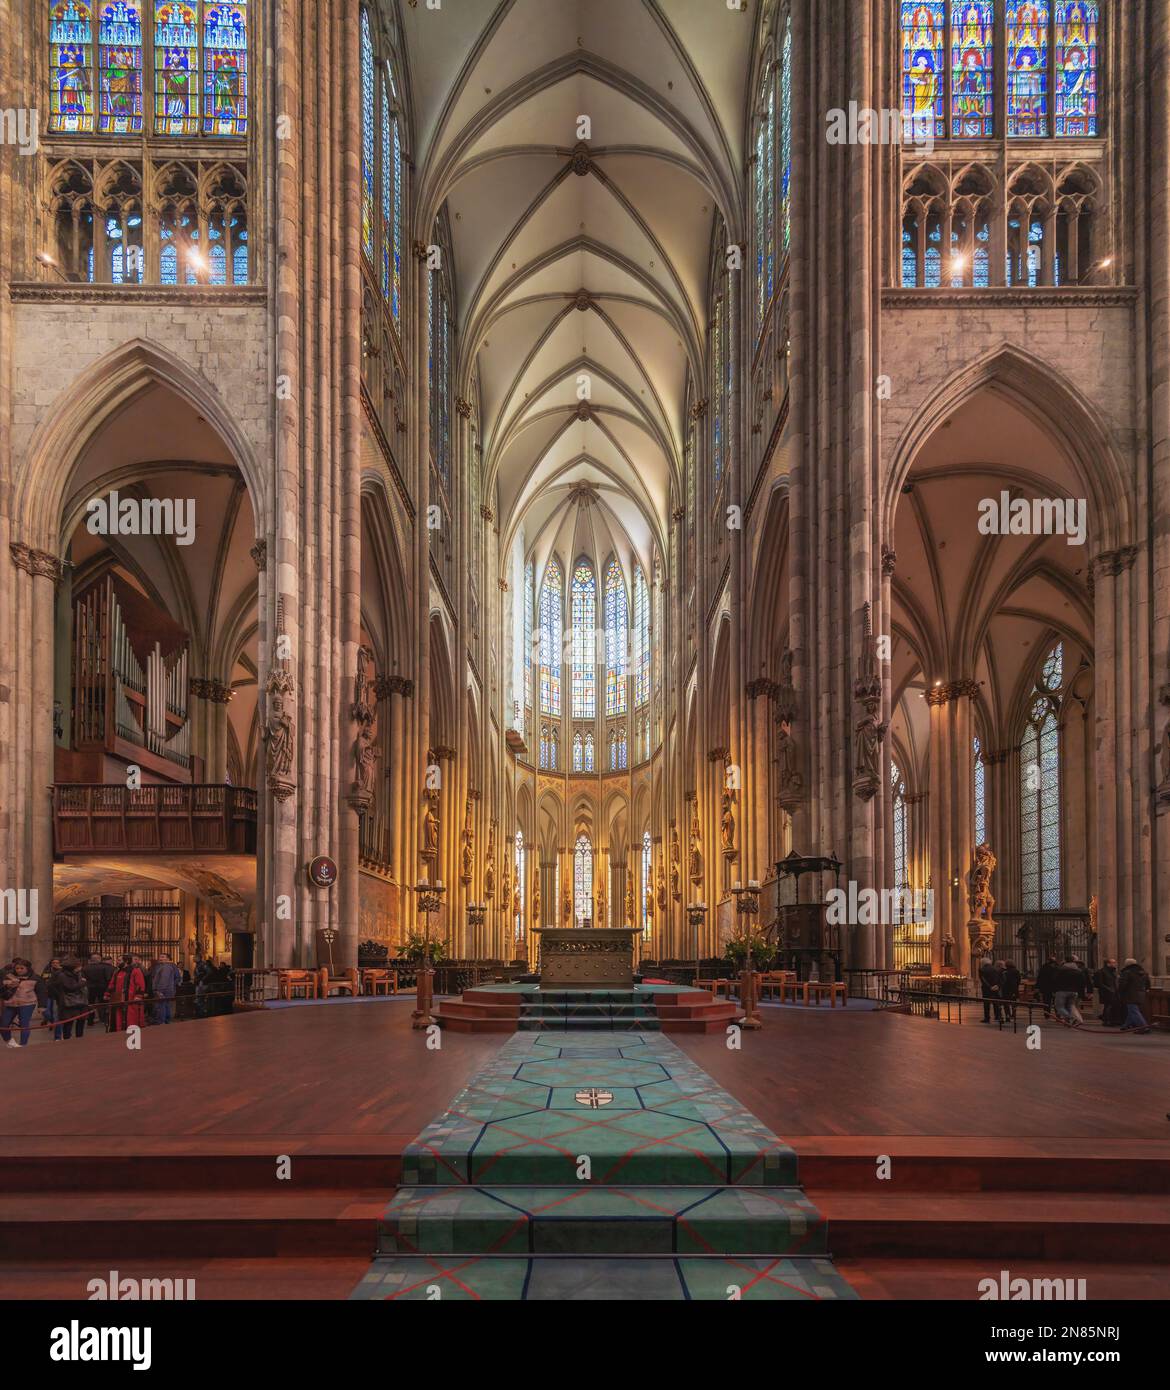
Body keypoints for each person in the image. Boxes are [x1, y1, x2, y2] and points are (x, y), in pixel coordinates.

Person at [1, 959, 45, 1047]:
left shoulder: (35, 977)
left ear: (27, 968)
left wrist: (42, 1005)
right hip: (10, 1003)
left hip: (27, 1004)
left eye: (22, 968)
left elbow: (41, 992)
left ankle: (23, 1045)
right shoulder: (9, 976)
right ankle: (10, 1041)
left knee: (24, 1024)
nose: (19, 970)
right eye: (17, 968)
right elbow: (1, 990)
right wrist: (7, 986)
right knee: (3, 1024)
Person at [49, 957, 90, 1041]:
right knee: (68, 1023)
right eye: (78, 966)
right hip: (68, 1002)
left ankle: (79, 1038)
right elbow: (70, 987)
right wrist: (82, 983)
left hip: (81, 1001)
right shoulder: (62, 975)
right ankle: (67, 1039)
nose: (80, 967)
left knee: (81, 1020)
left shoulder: (79, 973)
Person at [105, 954, 146, 1033]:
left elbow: (140, 984)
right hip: (118, 999)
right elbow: (112, 983)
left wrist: (138, 995)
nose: (117, 962)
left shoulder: (135, 970)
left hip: (130, 999)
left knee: (130, 1018)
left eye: (119, 960)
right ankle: (119, 1030)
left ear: (126, 961)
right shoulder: (117, 971)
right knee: (118, 1017)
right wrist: (107, 994)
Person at [1118, 957, 1151, 1034]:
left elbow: (1123, 984)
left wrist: (1120, 992)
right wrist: (1145, 990)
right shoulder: (1143, 972)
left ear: (1126, 964)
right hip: (1141, 994)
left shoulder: (1127, 972)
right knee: (1131, 1010)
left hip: (1130, 994)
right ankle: (1126, 1025)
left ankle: (1144, 1027)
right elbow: (1148, 983)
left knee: (1133, 1010)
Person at [1053, 955, 1089, 1027]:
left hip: (1062, 990)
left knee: (1059, 1007)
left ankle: (1071, 1018)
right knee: (1070, 1006)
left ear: (1065, 961)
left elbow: (1054, 980)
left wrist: (1054, 989)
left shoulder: (1060, 970)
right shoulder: (1078, 971)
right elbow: (1083, 982)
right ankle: (1068, 1023)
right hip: (1074, 991)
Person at [150, 953, 182, 1025]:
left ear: (167, 959)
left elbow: (164, 980)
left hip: (163, 990)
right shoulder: (163, 966)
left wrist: (159, 990)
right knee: (166, 1005)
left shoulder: (166, 967)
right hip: (168, 989)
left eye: (162, 957)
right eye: (160, 956)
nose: (160, 958)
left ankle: (162, 1021)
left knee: (162, 1006)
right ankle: (167, 1020)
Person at [83, 955, 114, 1028]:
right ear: (99, 959)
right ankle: (104, 1020)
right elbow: (108, 978)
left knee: (91, 1004)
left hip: (90, 988)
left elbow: (83, 979)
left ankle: (90, 1021)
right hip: (102, 988)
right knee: (104, 1005)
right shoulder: (104, 967)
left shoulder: (85, 968)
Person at [1093, 958, 1120, 1026]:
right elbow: (1099, 983)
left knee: (1110, 1006)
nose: (1115, 964)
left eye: (1115, 962)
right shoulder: (1101, 972)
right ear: (1108, 964)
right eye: (1113, 962)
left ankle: (1110, 1020)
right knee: (1108, 1006)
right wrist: (1109, 989)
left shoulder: (1113, 972)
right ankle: (1107, 1021)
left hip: (1114, 992)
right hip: (1106, 992)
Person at [40, 957, 62, 1037]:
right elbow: (42, 981)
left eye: (57, 963)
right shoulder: (47, 971)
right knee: (45, 1012)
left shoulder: (62, 971)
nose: (55, 964)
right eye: (53, 963)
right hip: (47, 994)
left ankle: (58, 1036)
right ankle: (53, 1022)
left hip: (57, 996)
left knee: (56, 1015)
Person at [979, 955, 1003, 1023]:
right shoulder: (995, 969)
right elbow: (1000, 979)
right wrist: (997, 985)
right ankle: (998, 1016)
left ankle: (987, 1018)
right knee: (996, 1002)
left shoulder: (982, 969)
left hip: (987, 989)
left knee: (986, 1004)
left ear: (982, 963)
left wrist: (990, 987)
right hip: (995, 988)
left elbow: (983, 980)